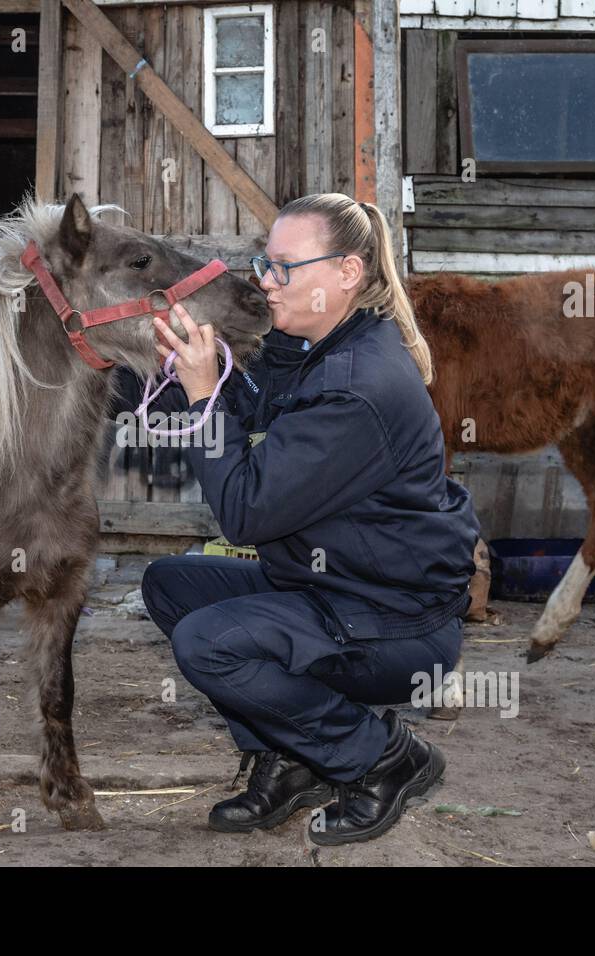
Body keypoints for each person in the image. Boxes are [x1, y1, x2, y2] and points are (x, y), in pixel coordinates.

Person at [108, 193, 480, 846]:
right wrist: (128, 365)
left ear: (347, 273)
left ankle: (383, 759)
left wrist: (200, 397)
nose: (264, 281)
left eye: (284, 267)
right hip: (336, 583)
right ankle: (288, 761)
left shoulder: (357, 387)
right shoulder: (316, 345)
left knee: (208, 643)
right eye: (264, 262)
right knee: (170, 584)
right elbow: (251, 401)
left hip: (393, 623)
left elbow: (245, 511)